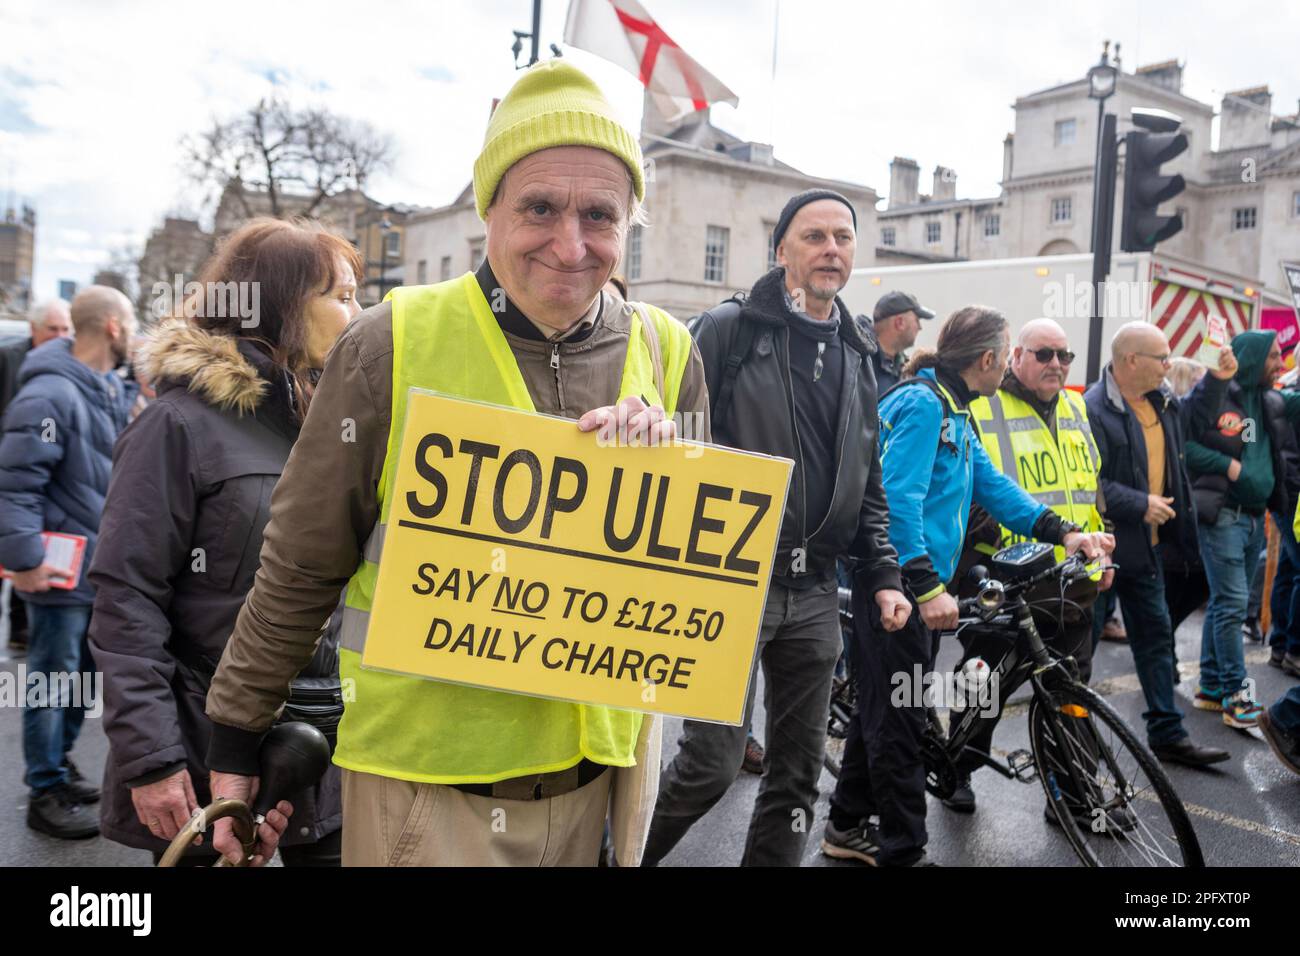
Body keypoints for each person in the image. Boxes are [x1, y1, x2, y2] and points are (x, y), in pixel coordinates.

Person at [201, 60, 710, 867]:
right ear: (491, 211)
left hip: (593, 790)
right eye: (539, 207)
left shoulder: (670, 350)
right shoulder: (389, 341)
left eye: (600, 215)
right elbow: (300, 565)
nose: (570, 245)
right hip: (424, 794)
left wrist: (665, 474)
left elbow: (693, 585)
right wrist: (232, 746)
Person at [644, 189, 908, 867]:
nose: (831, 250)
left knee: (795, 777)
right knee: (710, 762)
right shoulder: (729, 331)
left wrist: (882, 575)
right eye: (814, 236)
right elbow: (679, 448)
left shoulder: (858, 351)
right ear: (781, 249)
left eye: (843, 238)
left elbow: (867, 483)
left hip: (817, 589)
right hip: (732, 581)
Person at [87, 219, 360, 866]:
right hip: (203, 754)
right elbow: (126, 600)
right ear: (284, 305)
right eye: (342, 295)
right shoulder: (175, 427)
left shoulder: (336, 425)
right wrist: (150, 759)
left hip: (323, 758)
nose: (361, 312)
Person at [822, 305, 1112, 866]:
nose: (1006, 366)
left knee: (883, 708)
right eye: (1006, 356)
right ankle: (904, 851)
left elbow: (991, 483)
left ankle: (844, 823)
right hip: (896, 583)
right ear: (986, 359)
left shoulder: (956, 407)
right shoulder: (925, 405)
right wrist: (926, 586)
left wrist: (1063, 531)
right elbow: (896, 500)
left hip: (916, 582)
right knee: (900, 719)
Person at [941, 318, 1109, 814]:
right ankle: (958, 769)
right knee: (984, 683)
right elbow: (963, 483)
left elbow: (1088, 484)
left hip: (1071, 577)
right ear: (1015, 357)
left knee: (1069, 687)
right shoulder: (983, 402)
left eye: (1064, 355)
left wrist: (1097, 545)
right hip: (1001, 576)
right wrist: (993, 535)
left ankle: (1074, 798)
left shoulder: (1076, 405)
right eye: (1043, 354)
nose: (1056, 364)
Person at [0, 286, 137, 839]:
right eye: (129, 321)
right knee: (51, 682)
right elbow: (14, 486)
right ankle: (44, 788)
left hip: (92, 570)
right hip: (57, 572)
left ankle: (59, 765)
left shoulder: (103, 387)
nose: (133, 332)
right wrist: (25, 561)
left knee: (80, 679)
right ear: (110, 326)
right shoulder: (50, 394)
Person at [1084, 321, 1234, 765]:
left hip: (1146, 550)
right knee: (1079, 656)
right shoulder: (1094, 408)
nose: (1169, 365)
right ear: (1131, 361)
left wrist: (1218, 380)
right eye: (1162, 358)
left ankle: (1168, 734)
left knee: (1154, 641)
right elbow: (1087, 484)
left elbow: (1195, 419)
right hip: (1103, 552)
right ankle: (1069, 743)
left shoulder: (1162, 400)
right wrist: (1138, 503)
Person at [1185, 330, 1300, 729]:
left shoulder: (1266, 401)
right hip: (1224, 517)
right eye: (1272, 357)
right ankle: (1237, 697)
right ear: (1251, 358)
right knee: (1232, 605)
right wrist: (1228, 466)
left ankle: (1211, 687)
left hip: (1253, 517)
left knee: (1223, 604)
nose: (1279, 364)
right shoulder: (1216, 394)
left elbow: (1249, 441)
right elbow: (1187, 444)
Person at [1, 299, 73, 653]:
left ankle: (21, 630)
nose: (59, 337)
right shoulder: (9, 359)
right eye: (52, 330)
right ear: (34, 330)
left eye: (65, 330)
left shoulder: (70, 364)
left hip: (42, 474)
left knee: (29, 548)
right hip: (10, 465)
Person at [870, 290, 934, 393]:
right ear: (899, 323)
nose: (920, 327)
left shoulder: (902, 365)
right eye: (917, 320)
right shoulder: (861, 362)